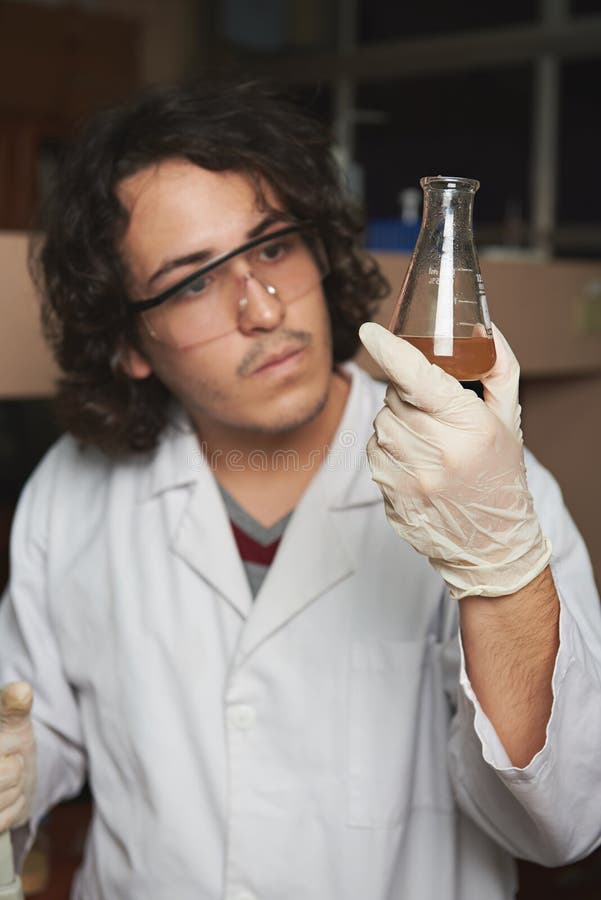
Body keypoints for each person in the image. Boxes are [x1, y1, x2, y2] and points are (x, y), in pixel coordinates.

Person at [0, 79, 600, 900]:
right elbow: (39, 732)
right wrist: (16, 776)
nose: (263, 307)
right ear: (128, 341)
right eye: (194, 281)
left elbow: (565, 819)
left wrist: (500, 576)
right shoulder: (72, 492)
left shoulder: (488, 485)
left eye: (273, 246)